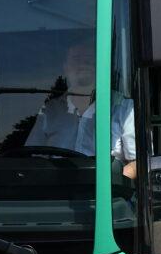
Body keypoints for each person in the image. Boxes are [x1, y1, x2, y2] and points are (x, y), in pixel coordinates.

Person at [25, 38, 137, 179]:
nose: (84, 64)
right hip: (56, 187)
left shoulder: (124, 109)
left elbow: (138, 163)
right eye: (77, 59)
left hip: (104, 190)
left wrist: (109, 182)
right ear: (66, 67)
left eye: (90, 60)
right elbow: (32, 159)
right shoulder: (50, 110)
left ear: (101, 65)